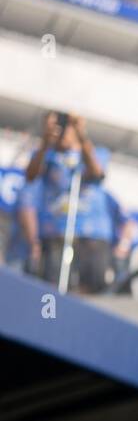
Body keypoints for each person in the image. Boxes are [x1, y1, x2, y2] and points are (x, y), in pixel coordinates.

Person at [17, 112, 119, 293]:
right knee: (52, 286)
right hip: (56, 231)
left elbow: (96, 174)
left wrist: (82, 136)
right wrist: (45, 143)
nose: (60, 133)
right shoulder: (45, 155)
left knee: (93, 285)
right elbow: (31, 176)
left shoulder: (95, 152)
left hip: (92, 233)